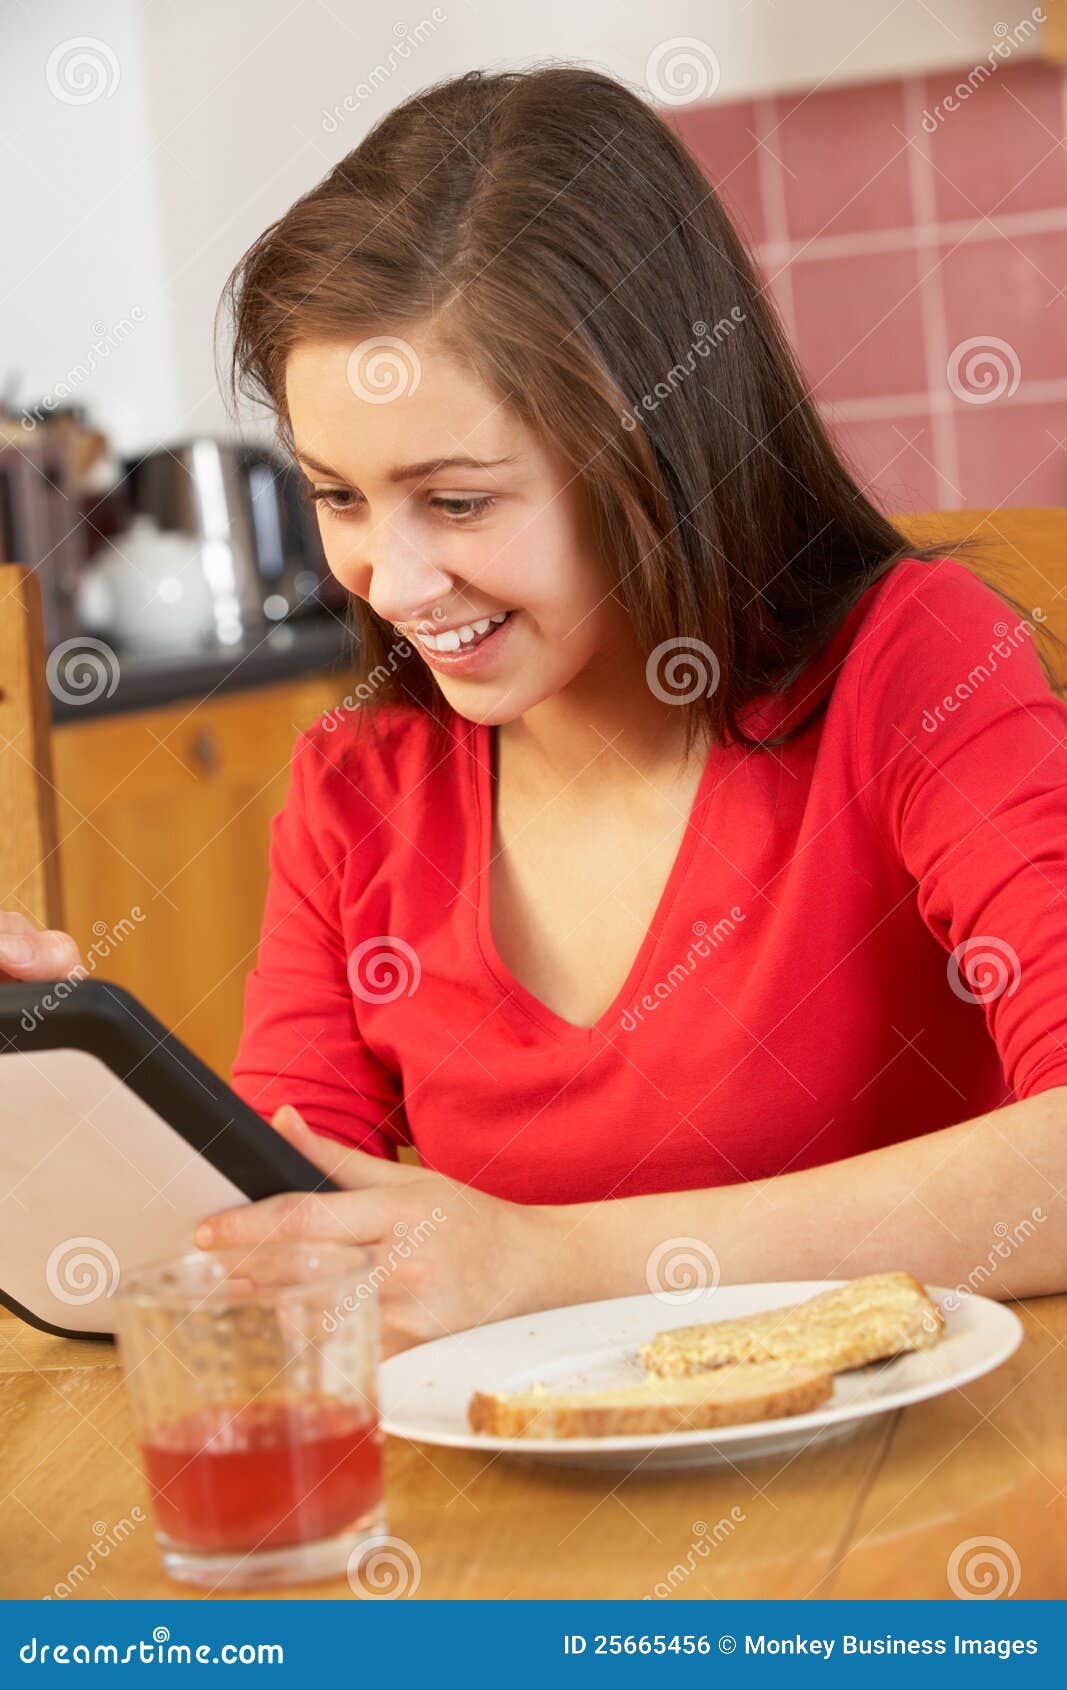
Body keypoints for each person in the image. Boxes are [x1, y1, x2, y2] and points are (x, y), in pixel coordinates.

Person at [4, 66, 1065, 1353]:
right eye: (336, 496)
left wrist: (553, 1262)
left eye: (456, 502)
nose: (390, 584)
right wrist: (78, 1109)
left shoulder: (913, 667)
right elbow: (284, 1258)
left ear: (653, 454)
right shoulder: (359, 788)